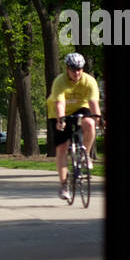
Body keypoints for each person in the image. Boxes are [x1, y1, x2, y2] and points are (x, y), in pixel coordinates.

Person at [46, 52, 102, 200]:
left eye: (79, 69)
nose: (76, 72)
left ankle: (86, 156)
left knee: (90, 123)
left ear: (83, 68)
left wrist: (98, 118)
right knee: (62, 148)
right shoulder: (60, 81)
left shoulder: (89, 81)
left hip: (80, 108)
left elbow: (93, 103)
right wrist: (60, 119)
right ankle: (64, 185)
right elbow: (60, 103)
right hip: (58, 111)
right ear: (67, 68)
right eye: (73, 69)